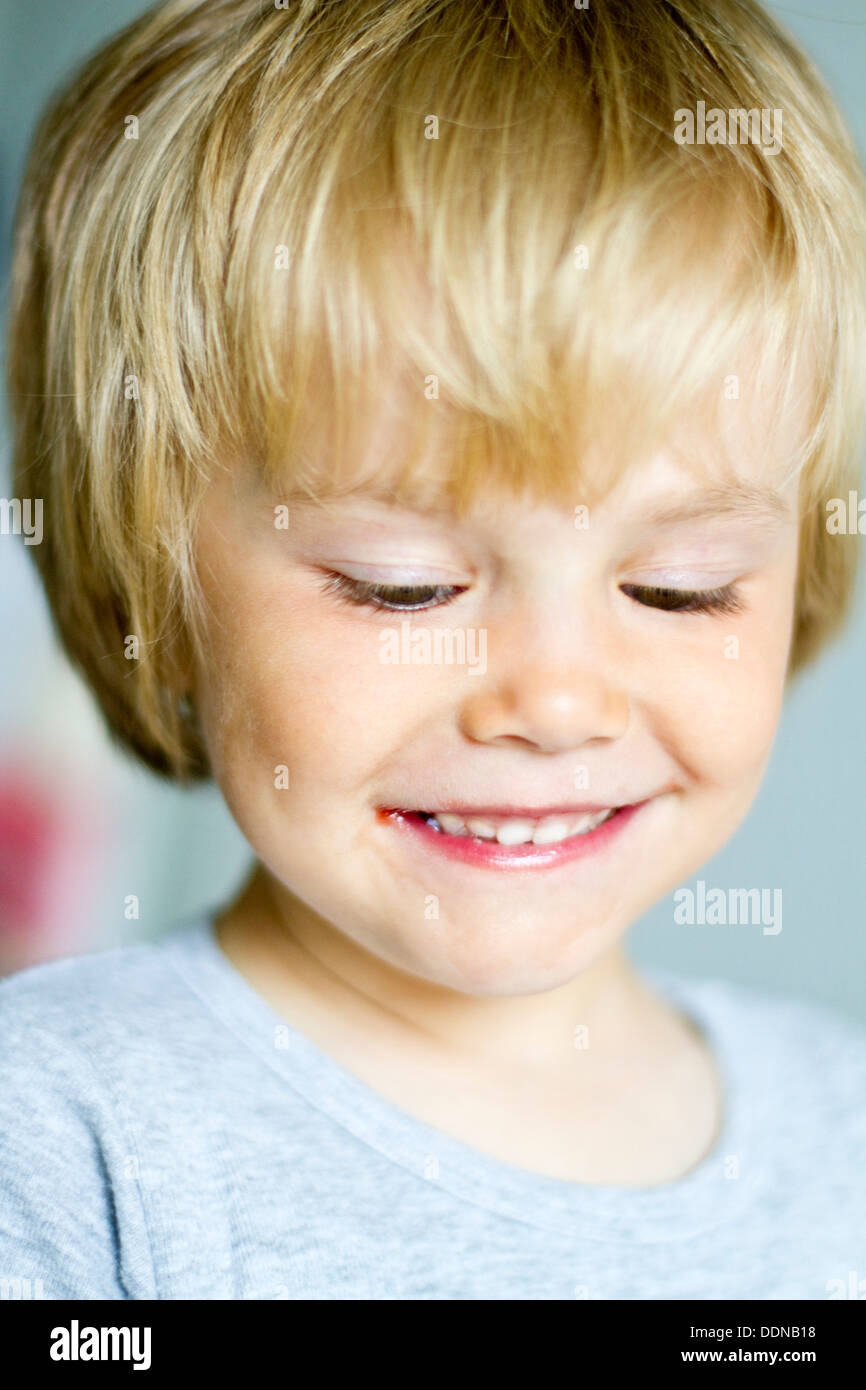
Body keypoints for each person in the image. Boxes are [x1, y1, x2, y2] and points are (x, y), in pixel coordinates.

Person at [2, 0, 865, 1300]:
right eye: (399, 587)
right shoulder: (65, 1138)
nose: (558, 699)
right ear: (160, 589)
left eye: (677, 589)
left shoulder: (841, 1130)